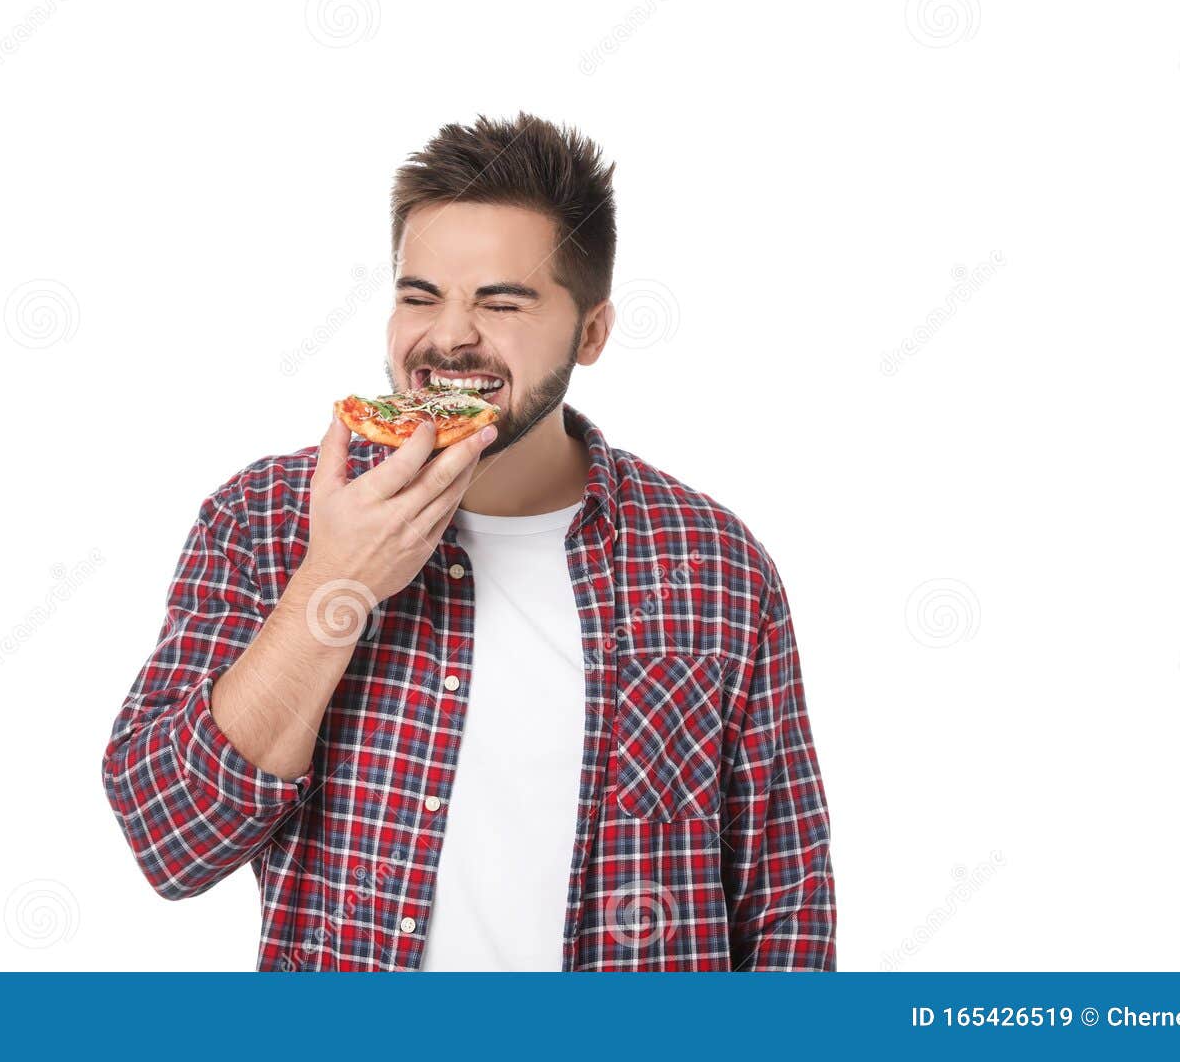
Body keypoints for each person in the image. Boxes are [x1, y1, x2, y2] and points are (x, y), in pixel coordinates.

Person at [101, 113, 836, 971]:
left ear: (590, 333)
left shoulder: (713, 562)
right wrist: (335, 581)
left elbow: (786, 896)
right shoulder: (262, 518)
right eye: (419, 296)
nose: (448, 336)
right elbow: (171, 842)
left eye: (500, 301)